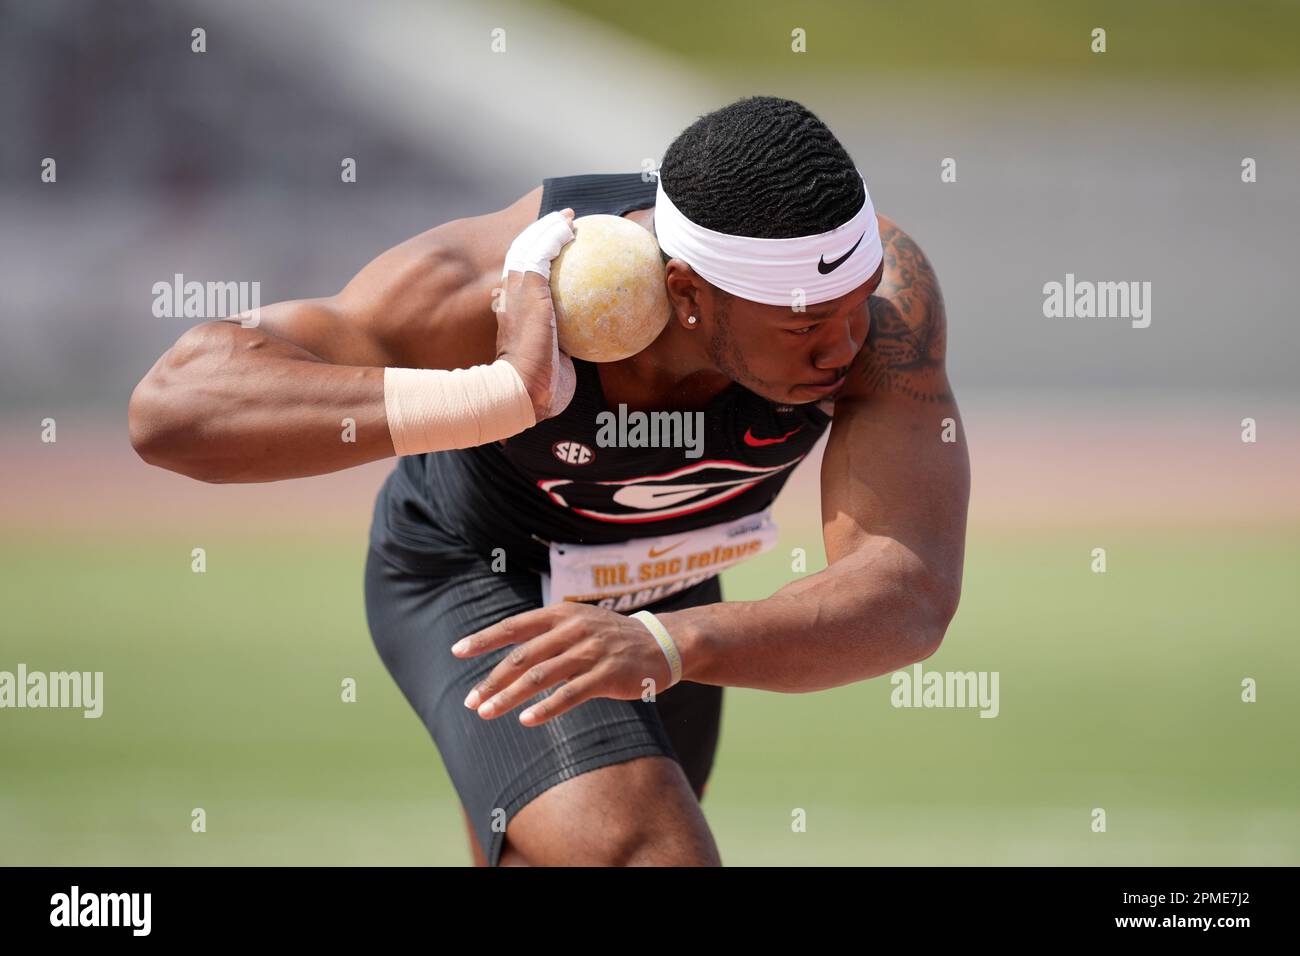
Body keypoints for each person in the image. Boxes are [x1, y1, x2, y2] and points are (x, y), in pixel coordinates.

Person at [129, 95, 971, 866]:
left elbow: (907, 595)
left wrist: (667, 643)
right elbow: (172, 408)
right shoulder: (504, 280)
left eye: (855, 305)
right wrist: (496, 394)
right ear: (686, 293)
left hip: (669, 592)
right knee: (653, 854)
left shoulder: (887, 305)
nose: (845, 346)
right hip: (484, 581)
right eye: (805, 326)